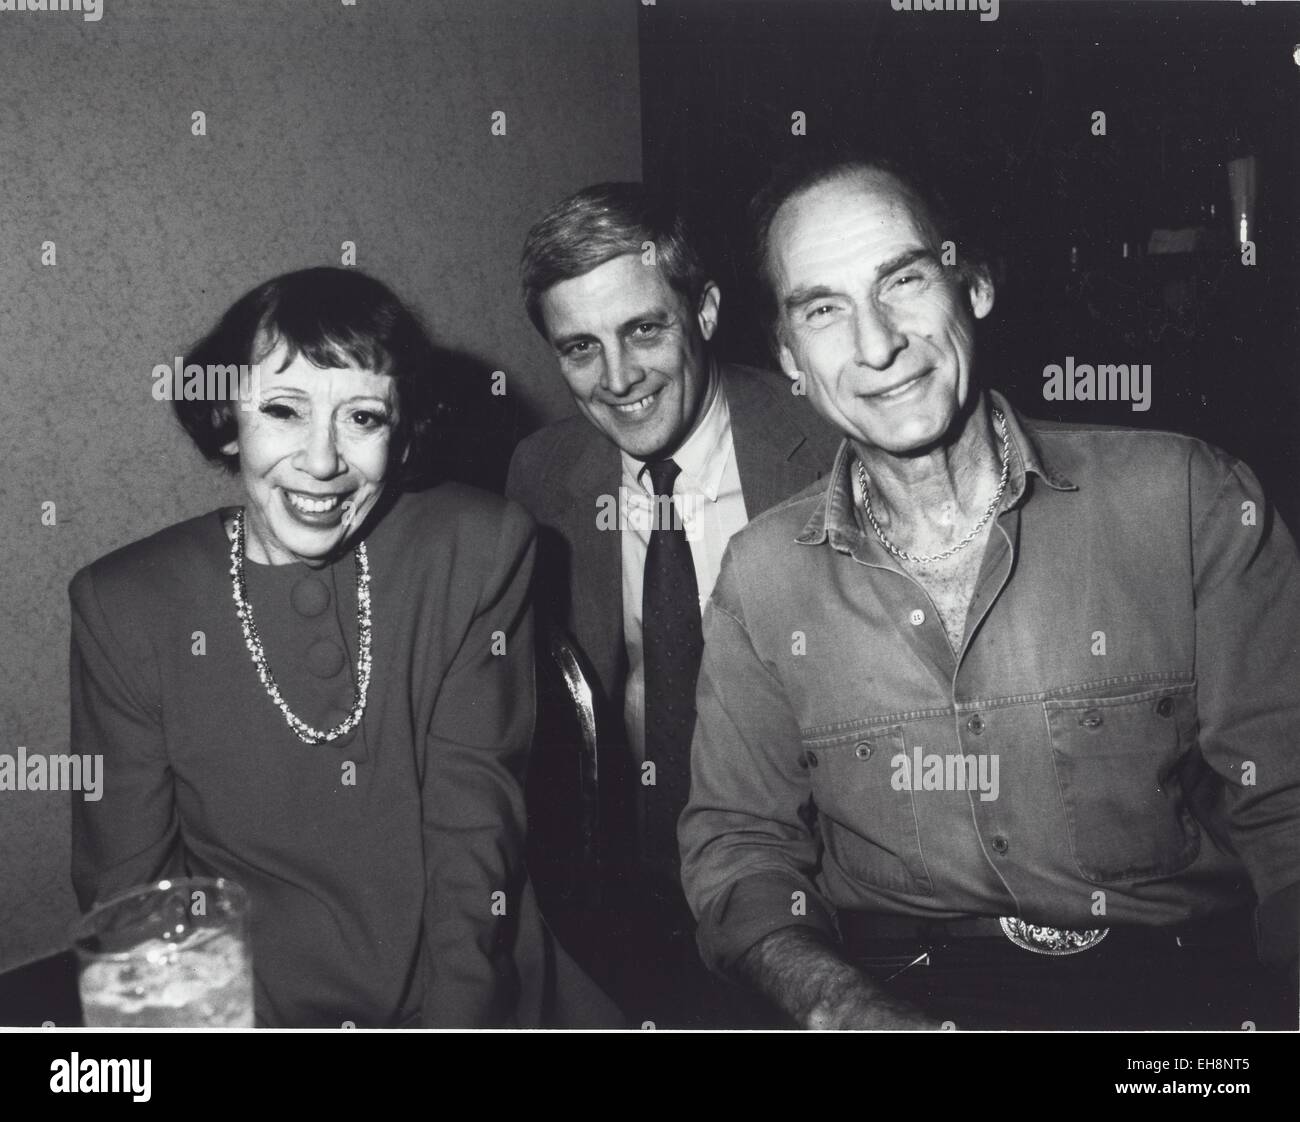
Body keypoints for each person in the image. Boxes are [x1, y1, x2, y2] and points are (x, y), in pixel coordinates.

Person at [678, 155, 1300, 1030]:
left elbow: (1286, 807)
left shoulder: (1186, 499)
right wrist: (840, 1005)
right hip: (897, 985)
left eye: (902, 280)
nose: (877, 343)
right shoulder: (762, 574)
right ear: (789, 361)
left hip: (1169, 1001)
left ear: (969, 286)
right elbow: (742, 853)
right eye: (823, 309)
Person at [70, 266, 619, 1028]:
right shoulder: (126, 605)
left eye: (362, 418)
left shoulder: (476, 547)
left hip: (479, 987)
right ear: (228, 417)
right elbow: (134, 902)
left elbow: (474, 838)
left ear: (400, 433)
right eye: (284, 411)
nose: (322, 462)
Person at [506, 183, 840, 1026]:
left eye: (644, 329)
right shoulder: (540, 476)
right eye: (580, 347)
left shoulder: (832, 445)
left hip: (813, 888)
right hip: (620, 910)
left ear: (707, 309)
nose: (617, 379)